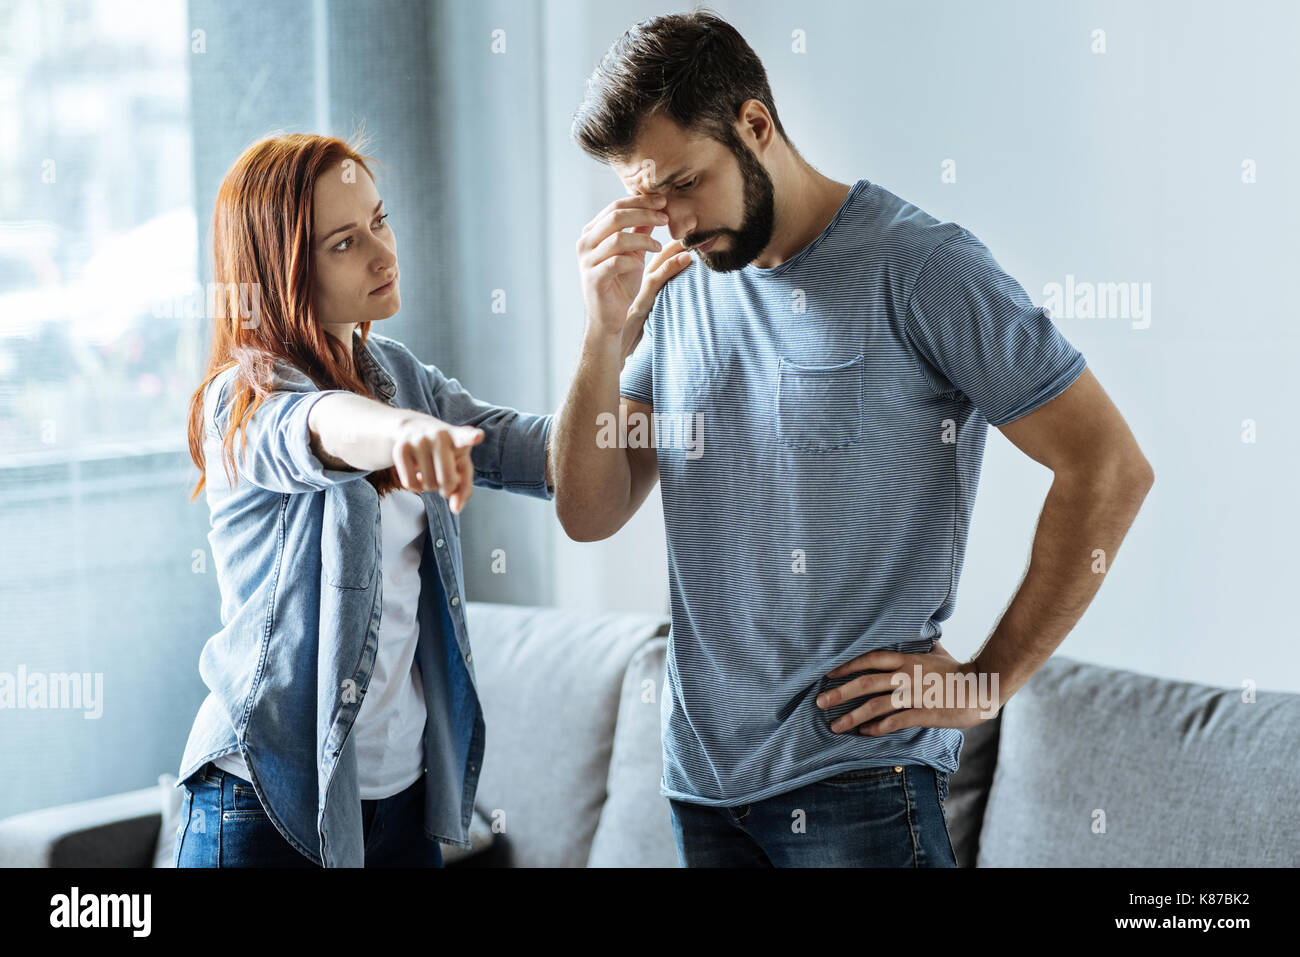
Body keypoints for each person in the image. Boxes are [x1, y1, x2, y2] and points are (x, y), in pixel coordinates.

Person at [553, 10, 1153, 867]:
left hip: (857, 780)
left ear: (755, 124)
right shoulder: (680, 283)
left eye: (685, 183)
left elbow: (1110, 467)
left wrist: (987, 681)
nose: (674, 225)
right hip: (702, 787)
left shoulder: (920, 265)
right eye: (652, 201)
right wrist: (602, 333)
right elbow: (589, 509)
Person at [174, 133, 554, 867]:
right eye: (345, 243)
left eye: (379, 221)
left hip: (403, 803)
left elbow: (543, 455)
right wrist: (404, 432)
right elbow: (317, 425)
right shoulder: (241, 402)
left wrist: (609, 328)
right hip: (265, 804)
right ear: (281, 271)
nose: (384, 254)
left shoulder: (401, 374)